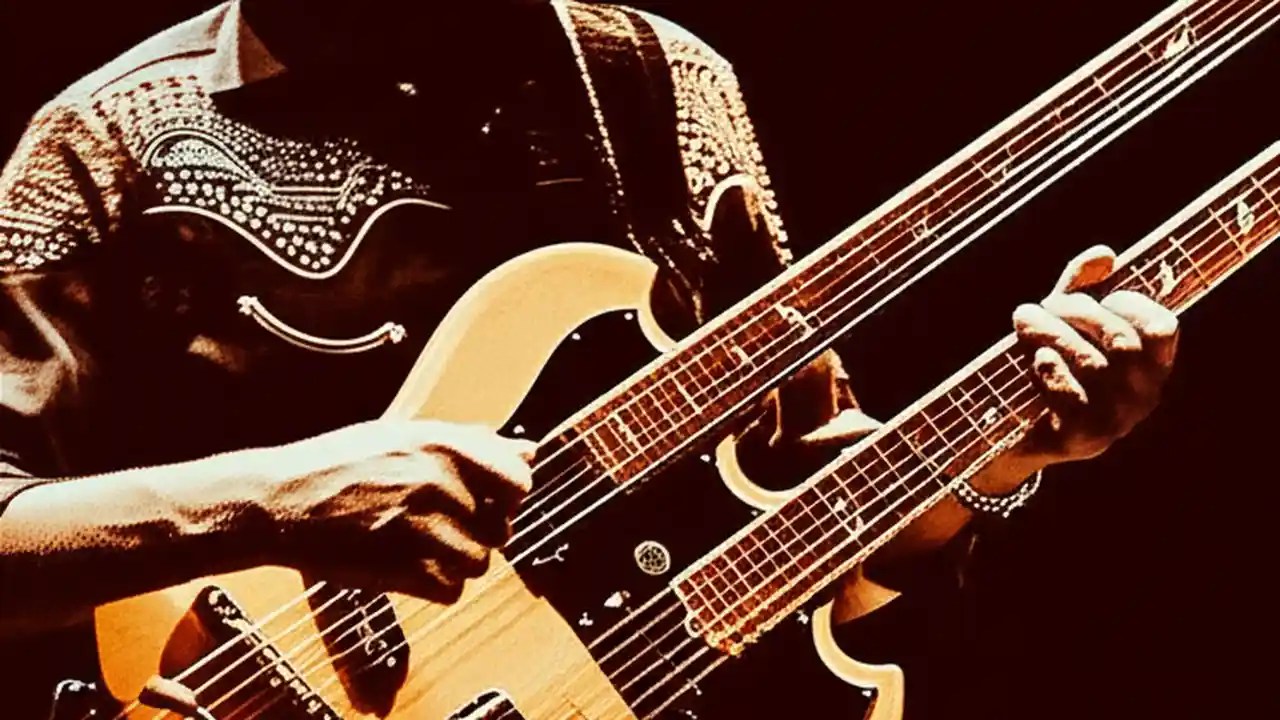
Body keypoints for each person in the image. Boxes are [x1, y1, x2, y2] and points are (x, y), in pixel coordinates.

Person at [0, 0, 1178, 716]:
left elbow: (802, 501)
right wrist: (268, 506)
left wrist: (1004, 453)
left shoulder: (663, 84)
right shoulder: (110, 139)